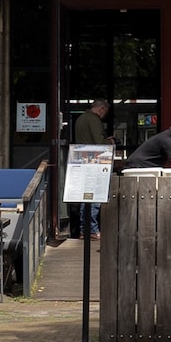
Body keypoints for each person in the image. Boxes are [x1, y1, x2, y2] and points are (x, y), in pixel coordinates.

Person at [69, 100, 112, 239]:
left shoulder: (81, 118)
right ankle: (91, 229)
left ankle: (85, 229)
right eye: (105, 112)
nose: (104, 115)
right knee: (94, 196)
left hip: (82, 160)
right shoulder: (94, 119)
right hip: (95, 161)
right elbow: (99, 142)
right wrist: (110, 141)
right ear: (101, 109)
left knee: (85, 197)